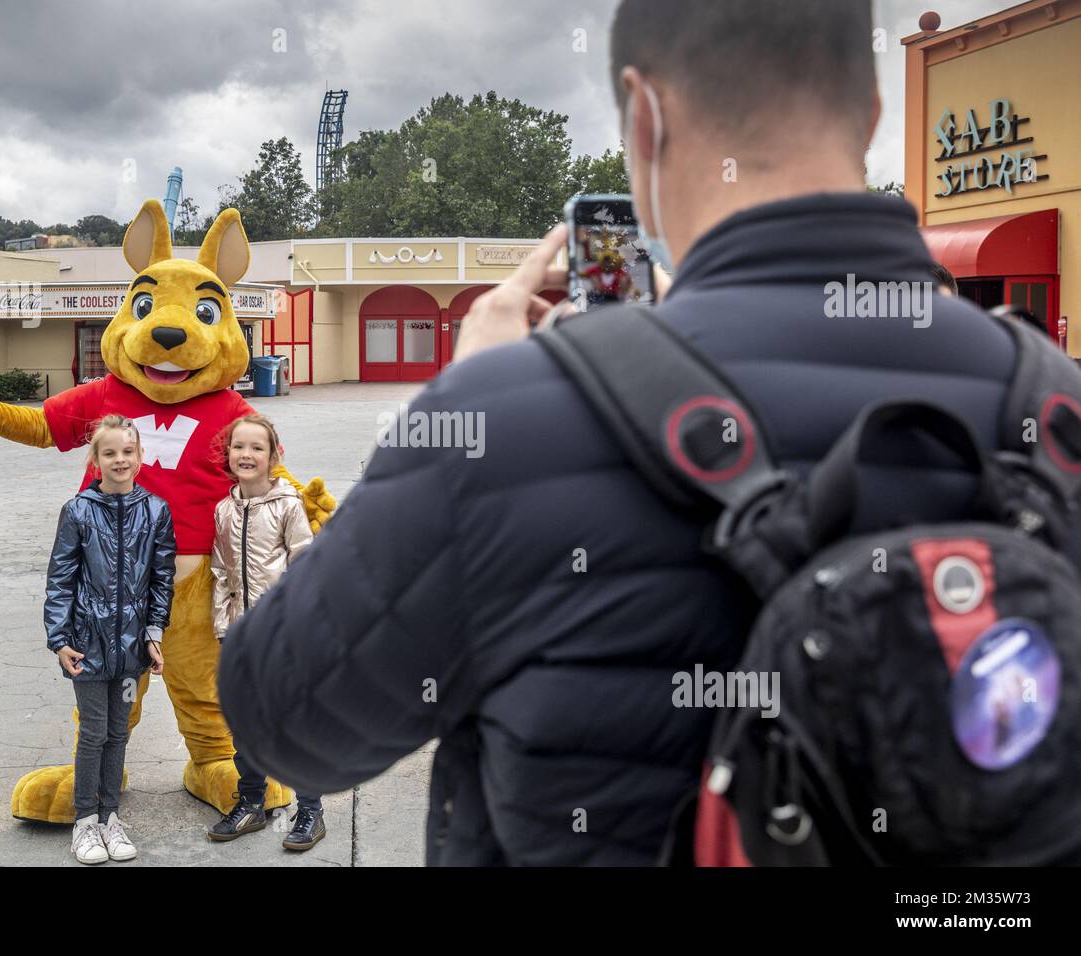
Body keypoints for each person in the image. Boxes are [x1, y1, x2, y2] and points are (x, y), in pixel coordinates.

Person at [219, 0, 1076, 865]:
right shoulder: (1054, 407)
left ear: (644, 116)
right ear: (874, 111)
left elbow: (281, 723)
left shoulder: (511, 417)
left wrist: (459, 399)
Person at [45, 414, 174, 864]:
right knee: (93, 732)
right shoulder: (78, 511)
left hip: (133, 646)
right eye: (110, 452)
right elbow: (60, 579)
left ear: (140, 457)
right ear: (95, 459)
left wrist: (154, 632)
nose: (120, 459)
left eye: (127, 451)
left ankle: (109, 818)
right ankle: (85, 822)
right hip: (87, 643)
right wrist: (59, 639)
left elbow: (162, 579)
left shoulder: (156, 510)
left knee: (119, 733)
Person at [204, 414, 323, 851]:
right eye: (239, 447)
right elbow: (220, 573)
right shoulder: (224, 509)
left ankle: (310, 809)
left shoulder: (288, 505)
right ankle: (251, 802)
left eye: (257, 447)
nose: (247, 454)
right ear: (228, 454)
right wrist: (224, 627)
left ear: (274, 456)